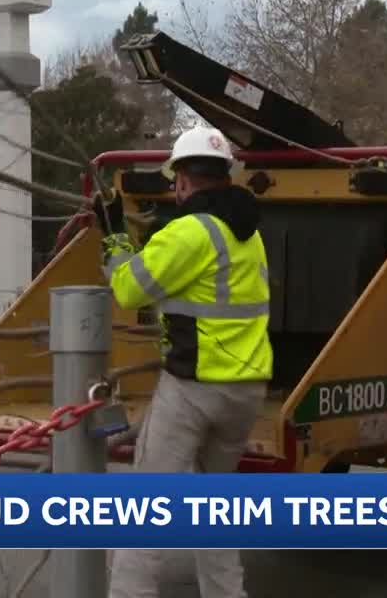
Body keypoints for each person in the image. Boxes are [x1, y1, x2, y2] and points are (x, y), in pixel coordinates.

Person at [97, 125, 273, 598]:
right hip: (245, 390)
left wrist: (115, 240)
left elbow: (129, 289)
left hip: (195, 387)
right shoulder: (249, 234)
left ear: (181, 180)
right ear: (225, 176)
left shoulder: (190, 232)